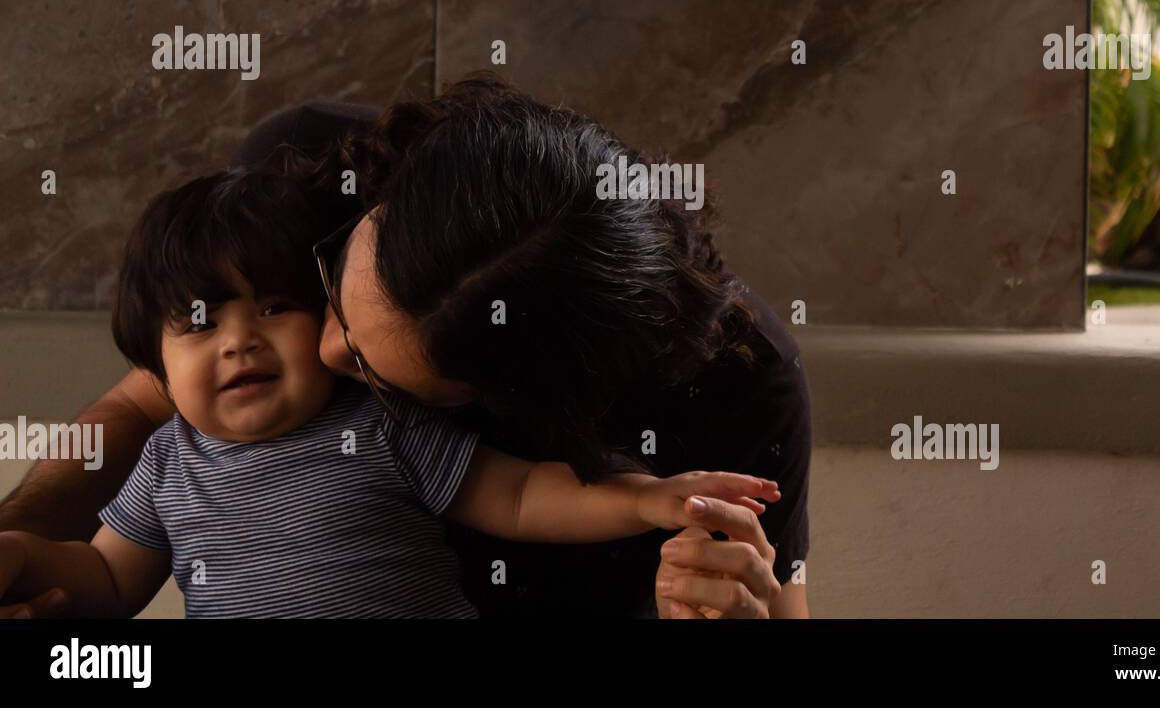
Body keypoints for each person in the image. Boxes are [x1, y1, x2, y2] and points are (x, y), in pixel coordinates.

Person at [0, 78, 812, 618]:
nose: (318, 352)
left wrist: (715, 581)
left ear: (509, 407)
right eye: (331, 295)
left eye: (369, 369)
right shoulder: (302, 178)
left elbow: (531, 497)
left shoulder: (744, 387)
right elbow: (146, 402)